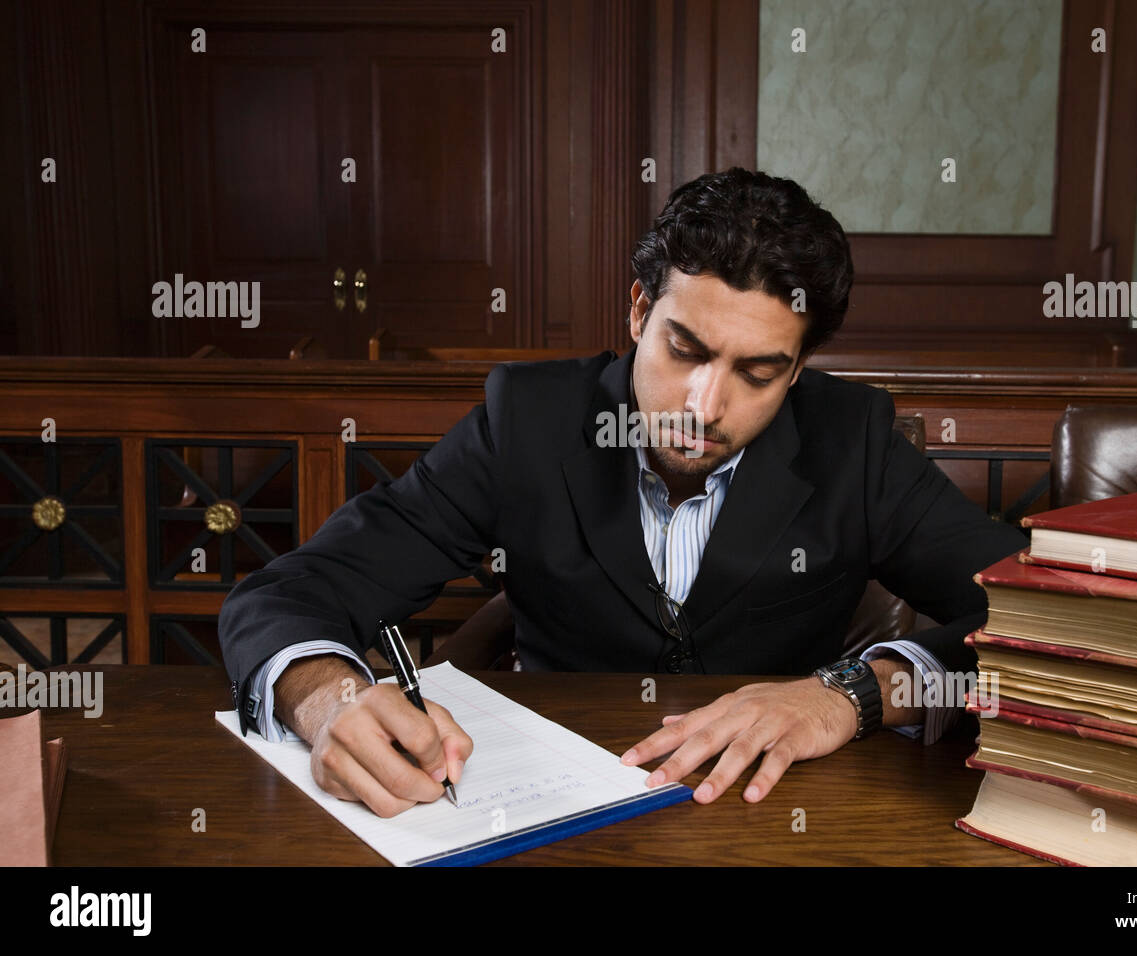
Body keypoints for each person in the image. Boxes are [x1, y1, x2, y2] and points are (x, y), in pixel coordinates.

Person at [217, 167, 1026, 818]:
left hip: (777, 817)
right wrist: (328, 699)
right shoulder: (525, 422)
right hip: (538, 815)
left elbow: (1046, 627)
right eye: (685, 349)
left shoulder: (853, 441)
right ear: (640, 311)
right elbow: (290, 592)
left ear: (799, 367)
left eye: (758, 372)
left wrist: (854, 693)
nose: (704, 408)